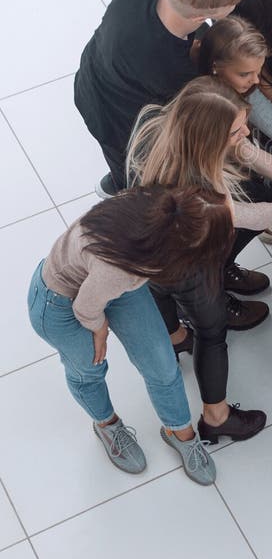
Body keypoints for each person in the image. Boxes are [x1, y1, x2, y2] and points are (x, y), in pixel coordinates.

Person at [127, 77, 272, 444]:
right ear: (209, 138)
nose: (245, 134)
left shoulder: (159, 128)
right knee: (212, 333)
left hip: (144, 252)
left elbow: (255, 156)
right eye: (236, 131)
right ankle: (217, 417)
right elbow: (246, 215)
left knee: (159, 293)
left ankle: (177, 336)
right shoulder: (194, 186)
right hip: (186, 262)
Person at [28, 185, 237, 486]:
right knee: (89, 370)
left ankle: (179, 432)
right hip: (60, 302)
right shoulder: (127, 267)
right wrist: (100, 329)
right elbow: (86, 307)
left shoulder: (174, 211)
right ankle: (108, 425)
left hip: (114, 280)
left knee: (162, 363)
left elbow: (237, 215)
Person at [74, 0, 247, 193]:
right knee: (129, 161)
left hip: (103, 49)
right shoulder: (170, 70)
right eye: (233, 3)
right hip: (104, 103)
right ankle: (122, 187)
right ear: (199, 18)